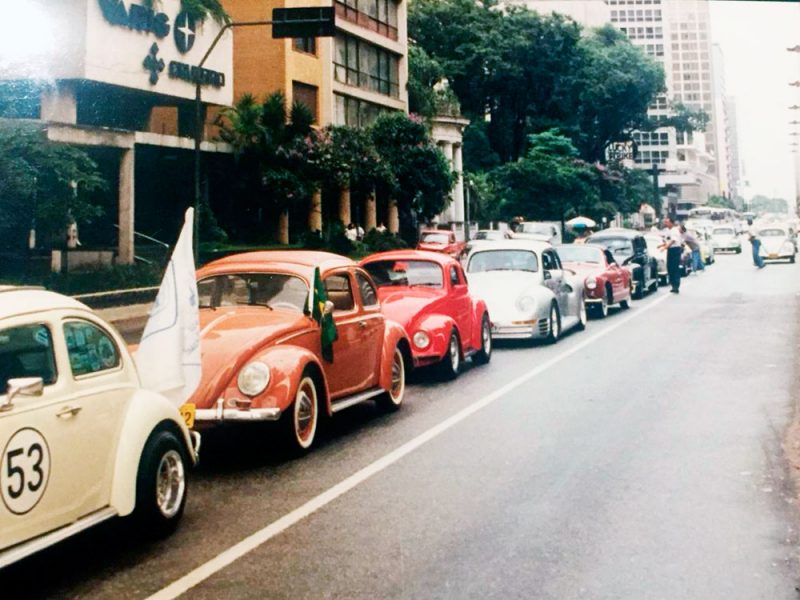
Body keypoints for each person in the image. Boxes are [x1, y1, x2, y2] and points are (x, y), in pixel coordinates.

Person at [659, 217, 684, 293]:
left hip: (675, 250)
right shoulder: (667, 231)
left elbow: (673, 241)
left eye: (667, 222)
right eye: (665, 222)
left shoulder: (675, 230)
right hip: (670, 250)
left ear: (671, 223)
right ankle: (673, 285)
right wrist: (662, 245)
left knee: (674, 267)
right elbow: (668, 240)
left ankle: (676, 286)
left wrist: (665, 247)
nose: (665, 223)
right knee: (669, 267)